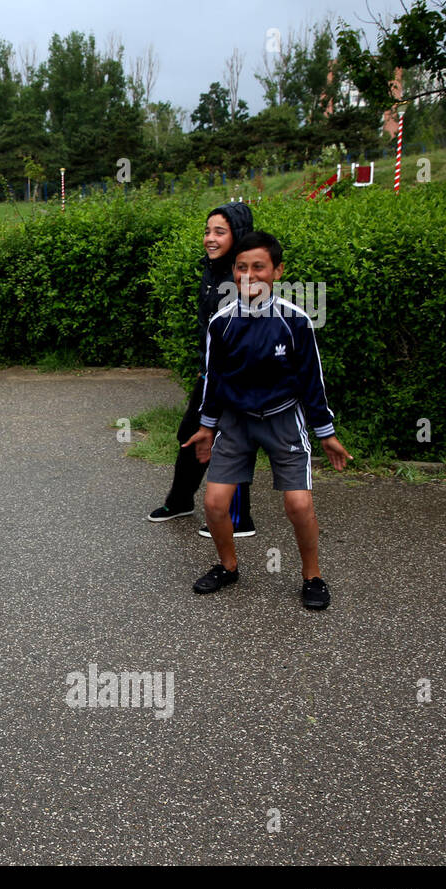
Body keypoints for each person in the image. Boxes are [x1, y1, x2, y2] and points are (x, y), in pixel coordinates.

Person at [182, 231, 352, 610]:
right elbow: (214, 380)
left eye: (258, 267)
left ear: (277, 271)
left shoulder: (296, 321)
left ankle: (312, 577)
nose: (249, 275)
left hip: (283, 420)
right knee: (214, 504)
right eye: (241, 267)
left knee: (298, 505)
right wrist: (207, 427)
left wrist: (327, 434)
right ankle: (228, 567)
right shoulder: (221, 324)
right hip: (236, 422)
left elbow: (312, 381)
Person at [147, 202, 256, 538]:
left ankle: (239, 519)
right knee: (191, 435)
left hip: (236, 376)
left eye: (219, 232)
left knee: (230, 441)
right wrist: (204, 370)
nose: (210, 238)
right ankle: (181, 501)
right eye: (207, 231)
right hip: (210, 374)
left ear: (237, 235)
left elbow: (248, 333)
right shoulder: (212, 271)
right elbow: (208, 331)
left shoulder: (242, 275)